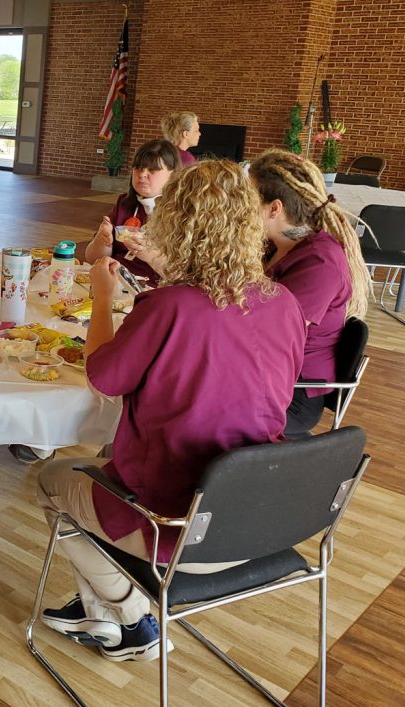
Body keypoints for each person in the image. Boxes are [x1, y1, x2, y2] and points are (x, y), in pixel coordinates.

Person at [36, 161, 305, 662]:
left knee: (53, 480)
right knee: (102, 460)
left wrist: (101, 299)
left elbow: (102, 377)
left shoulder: (168, 306)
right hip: (260, 509)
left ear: (175, 224)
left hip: (177, 522)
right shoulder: (283, 301)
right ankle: (101, 608)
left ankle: (130, 617)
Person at [250, 148, 370, 436]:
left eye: (247, 198)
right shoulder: (274, 244)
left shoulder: (320, 261)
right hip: (265, 375)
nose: (241, 207)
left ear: (274, 209)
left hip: (292, 395)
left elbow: (273, 336)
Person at [82, 139, 180, 286]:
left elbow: (184, 277)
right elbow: (91, 258)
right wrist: (103, 240)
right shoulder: (125, 204)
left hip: (153, 289)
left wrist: (150, 255)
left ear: (172, 175)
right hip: (114, 281)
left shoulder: (183, 214)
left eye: (152, 170)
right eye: (138, 168)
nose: (142, 175)